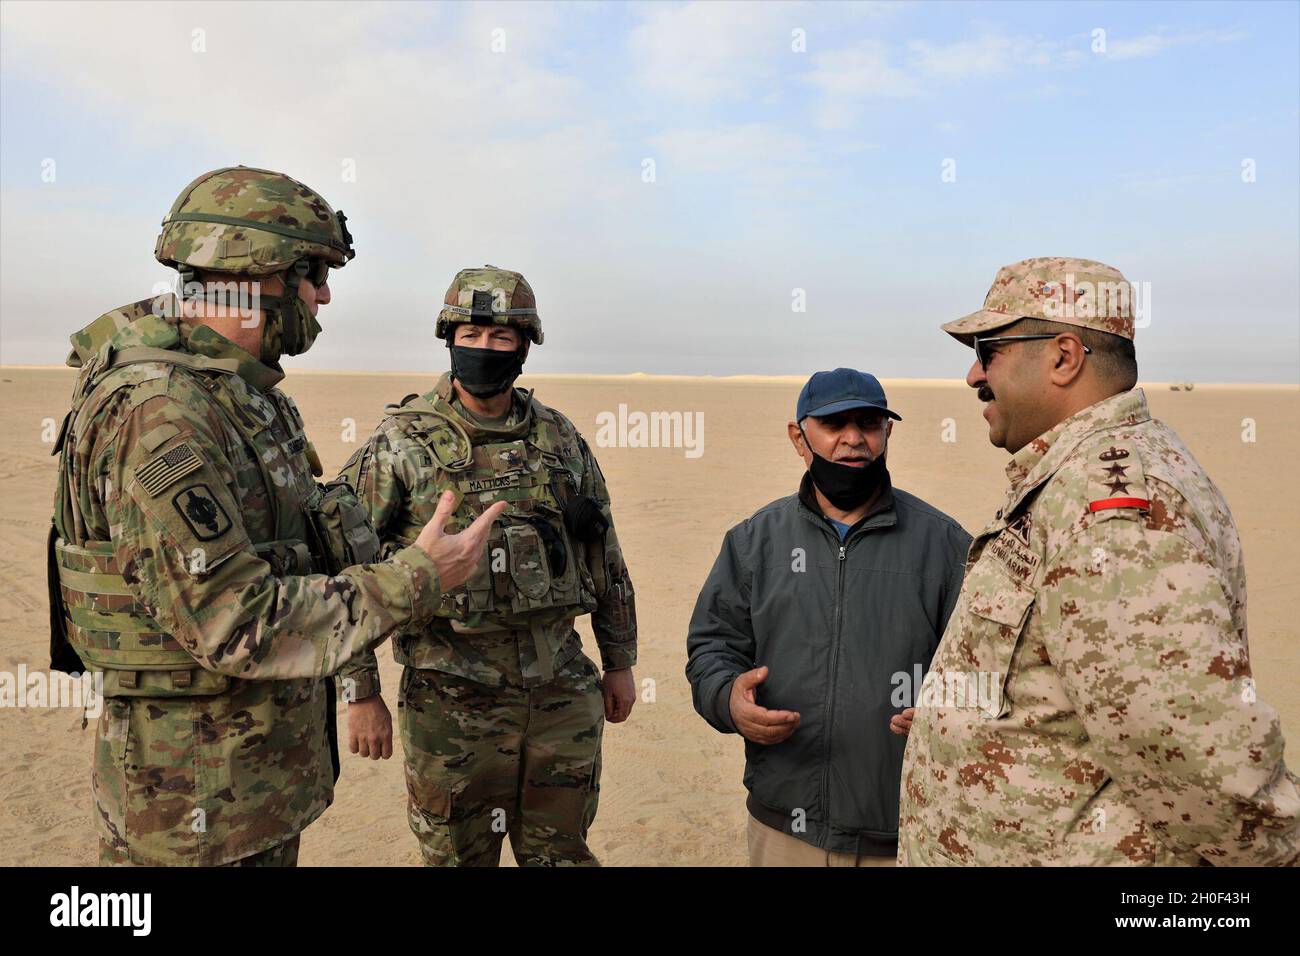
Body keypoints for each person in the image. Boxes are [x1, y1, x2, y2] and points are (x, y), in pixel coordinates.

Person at [48, 166, 502, 867]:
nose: (323, 297)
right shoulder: (162, 414)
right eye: (314, 275)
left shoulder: (243, 396)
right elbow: (230, 617)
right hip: (192, 810)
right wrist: (418, 578)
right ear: (259, 276)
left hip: (247, 787)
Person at [898, 256, 1300, 866]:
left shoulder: (1109, 501)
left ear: (1063, 357)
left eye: (989, 348)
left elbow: (1188, 745)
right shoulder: (1073, 480)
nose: (973, 373)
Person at [338, 265, 637, 866]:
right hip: (452, 698)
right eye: (470, 335)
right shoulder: (403, 440)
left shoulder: (559, 438)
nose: (484, 349)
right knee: (457, 859)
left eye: (501, 338)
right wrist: (360, 692)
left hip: (559, 690)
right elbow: (349, 569)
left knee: (562, 854)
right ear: (450, 339)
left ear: (525, 347)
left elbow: (605, 556)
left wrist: (619, 662)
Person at [686, 368, 970, 866]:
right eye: (835, 424)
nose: (853, 439)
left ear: (888, 433)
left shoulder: (944, 544)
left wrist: (949, 711)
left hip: (906, 829)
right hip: (784, 827)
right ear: (799, 437)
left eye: (869, 424)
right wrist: (728, 699)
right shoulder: (755, 541)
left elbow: (986, 666)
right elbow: (712, 647)